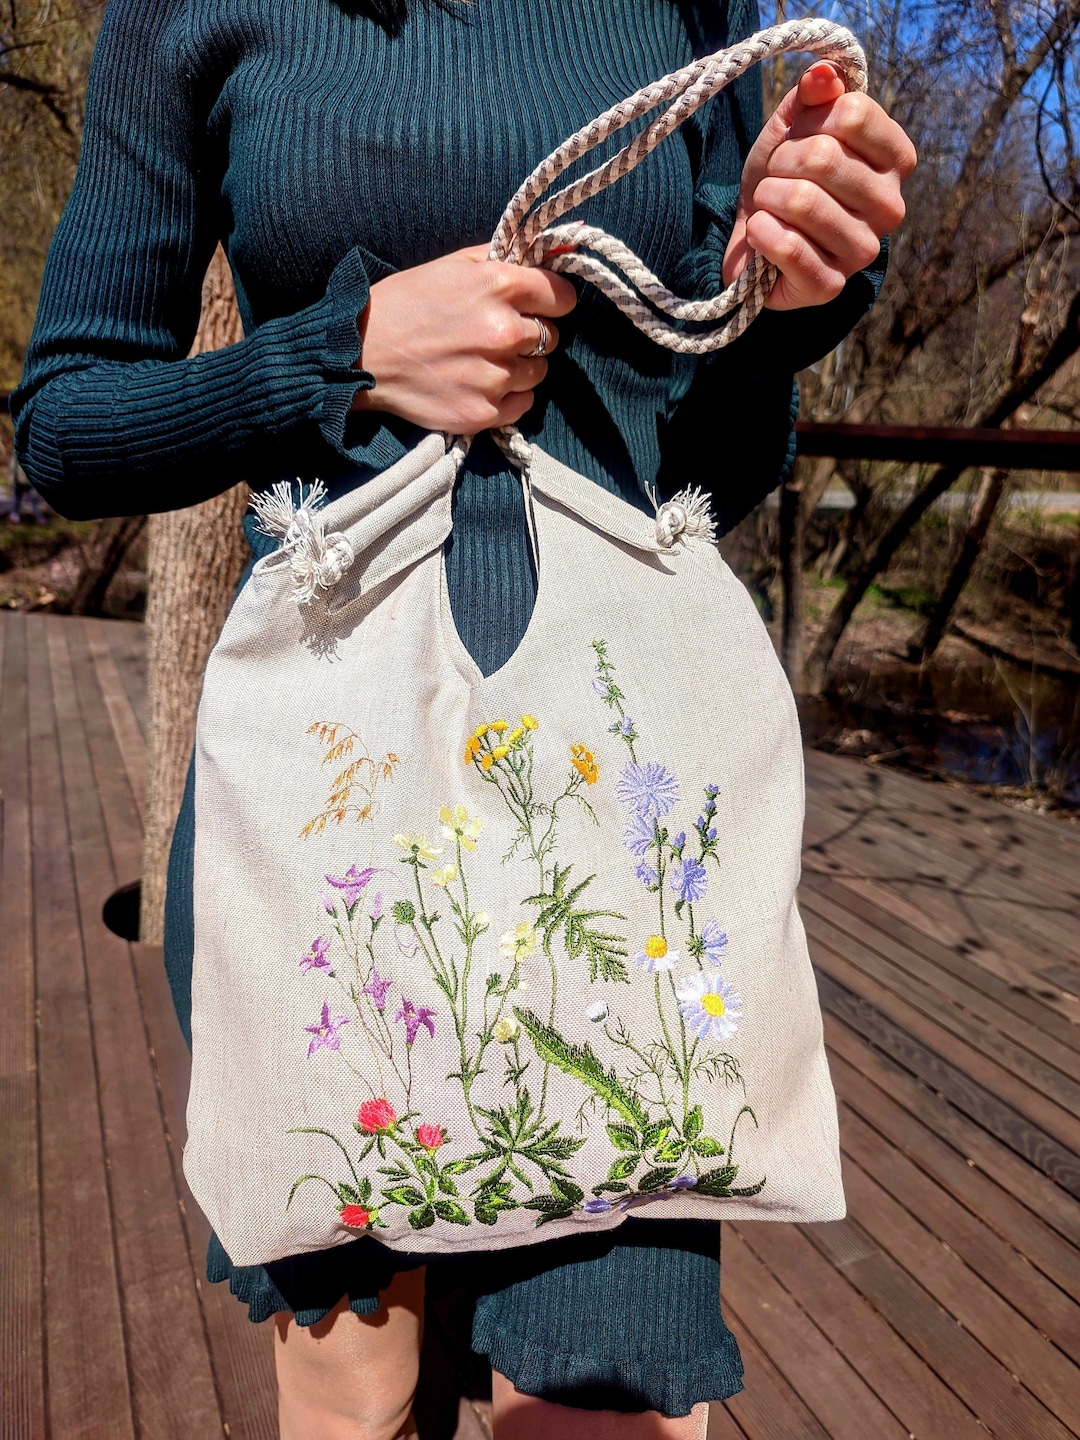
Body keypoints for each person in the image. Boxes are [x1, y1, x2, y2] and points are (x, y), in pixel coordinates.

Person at [11, 1, 915, 1436]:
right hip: (324, 817)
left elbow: (706, 474)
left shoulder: (693, 12)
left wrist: (793, 297)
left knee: (601, 1403)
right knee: (351, 1396)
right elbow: (66, 424)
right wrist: (342, 353)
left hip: (611, 815)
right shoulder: (184, 13)